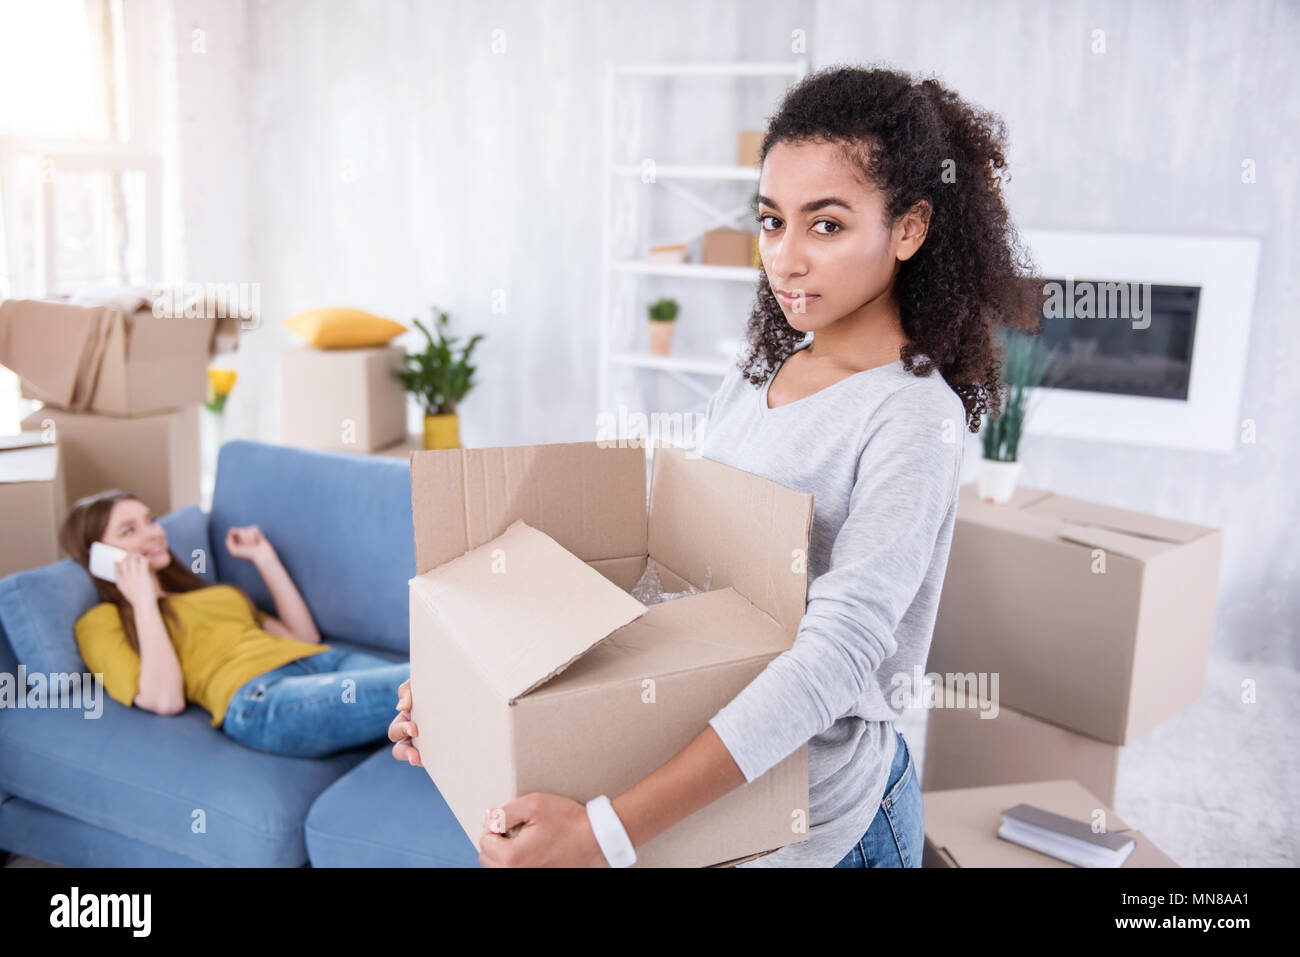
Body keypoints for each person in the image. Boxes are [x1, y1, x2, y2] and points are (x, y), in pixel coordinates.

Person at [390, 65, 1040, 866]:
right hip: (720, 813)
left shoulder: (912, 417)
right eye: (772, 221)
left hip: (823, 829)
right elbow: (677, 570)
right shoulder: (759, 371)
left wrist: (609, 833)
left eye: (826, 226)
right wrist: (480, 697)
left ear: (907, 229)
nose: (786, 258)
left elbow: (833, 657)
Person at [65, 489, 409, 759]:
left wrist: (265, 558)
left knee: (425, 698)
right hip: (261, 698)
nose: (154, 534)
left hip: (325, 662)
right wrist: (142, 600)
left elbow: (304, 637)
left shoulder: (212, 595)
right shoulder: (101, 622)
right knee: (426, 685)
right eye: (129, 530)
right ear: (98, 556)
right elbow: (165, 700)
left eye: (150, 520)